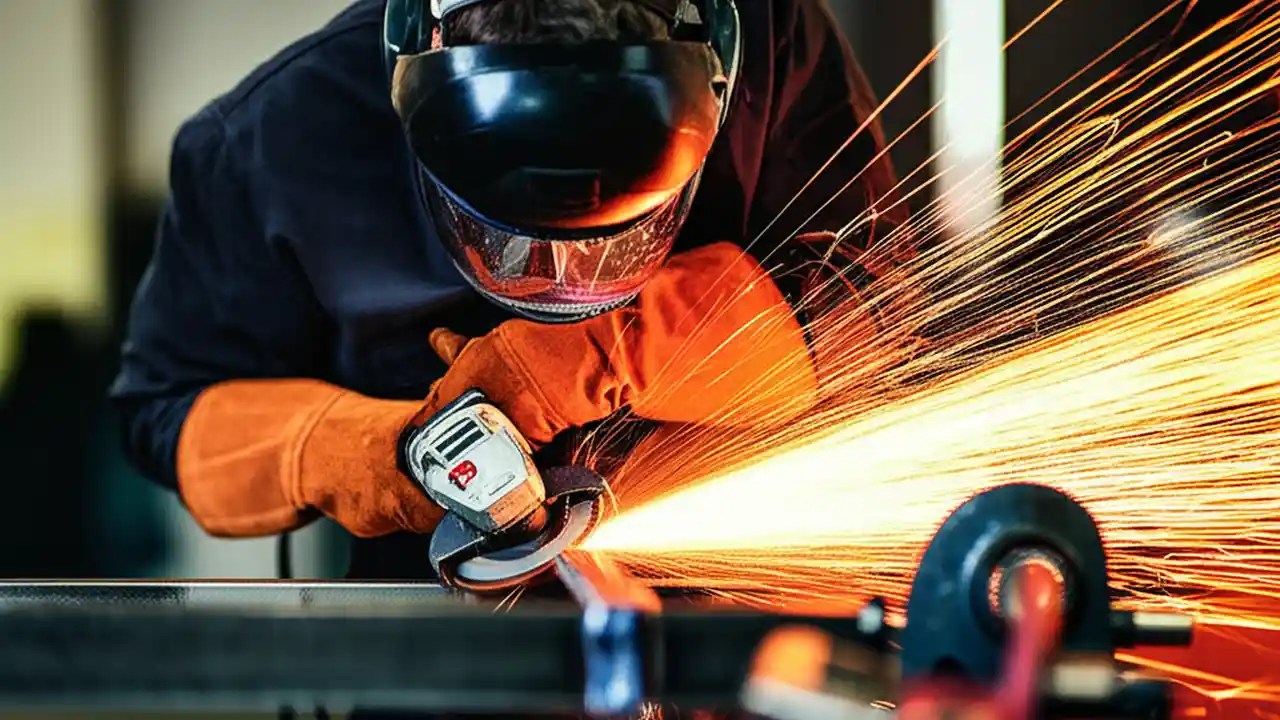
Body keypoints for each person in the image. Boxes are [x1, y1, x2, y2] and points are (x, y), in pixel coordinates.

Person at [110, 0, 910, 579]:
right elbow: (164, 408)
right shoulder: (281, 134)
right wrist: (354, 455)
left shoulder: (768, 46)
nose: (564, 276)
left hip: (740, 637)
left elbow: (884, 314)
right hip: (438, 659)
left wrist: (608, 350)